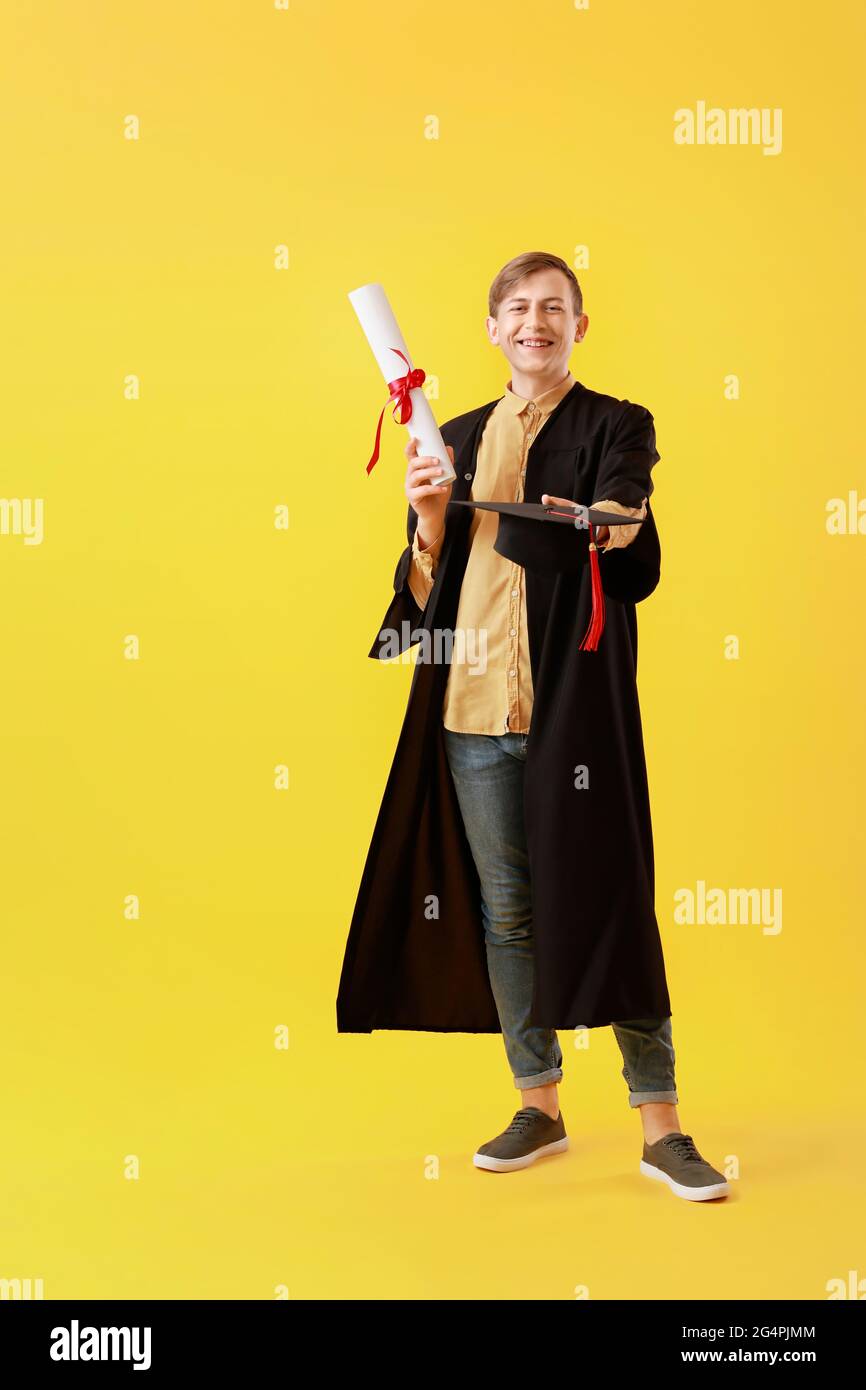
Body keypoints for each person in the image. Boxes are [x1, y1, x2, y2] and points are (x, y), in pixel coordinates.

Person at [337, 251, 729, 1202]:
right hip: (471, 712)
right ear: (493, 329)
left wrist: (596, 523)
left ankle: (662, 1125)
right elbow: (422, 597)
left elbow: (627, 522)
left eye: (554, 307)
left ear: (578, 327)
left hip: (572, 715)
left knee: (612, 896)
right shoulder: (455, 436)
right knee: (505, 912)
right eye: (517, 308)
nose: (534, 322)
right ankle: (539, 1104)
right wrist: (429, 517)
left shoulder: (615, 425)